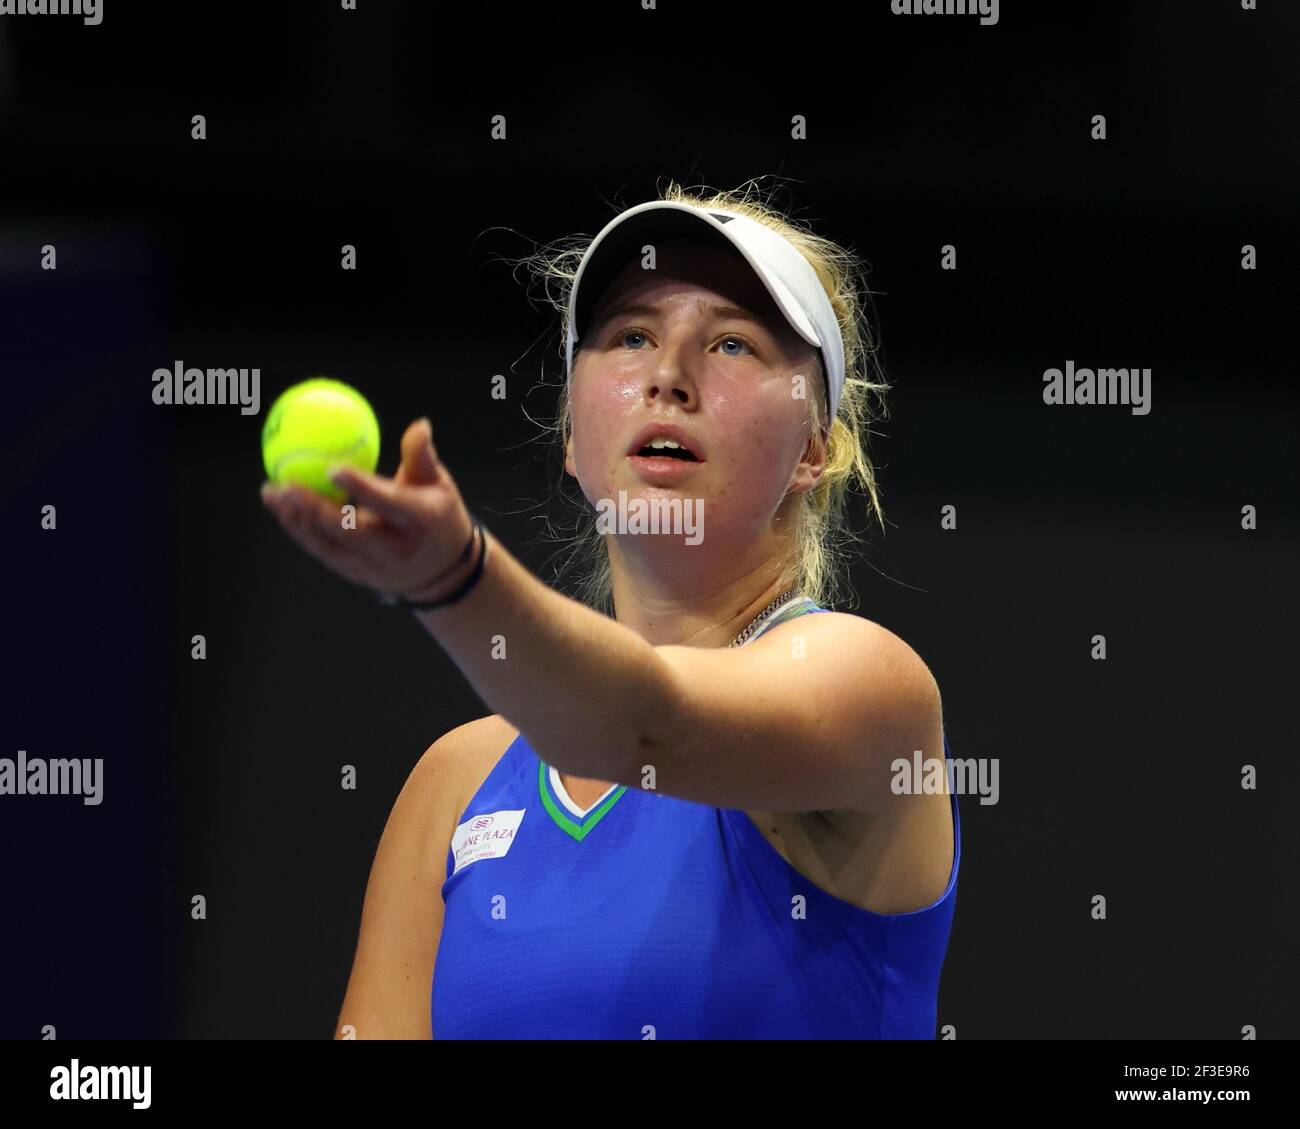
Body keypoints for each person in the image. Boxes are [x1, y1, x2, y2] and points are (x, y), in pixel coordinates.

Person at [262, 181, 960, 1039]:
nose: (668, 376)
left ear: (814, 446)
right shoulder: (455, 784)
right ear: (569, 431)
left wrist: (454, 574)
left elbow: (640, 727)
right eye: (631, 335)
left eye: (734, 344)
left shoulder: (866, 685)